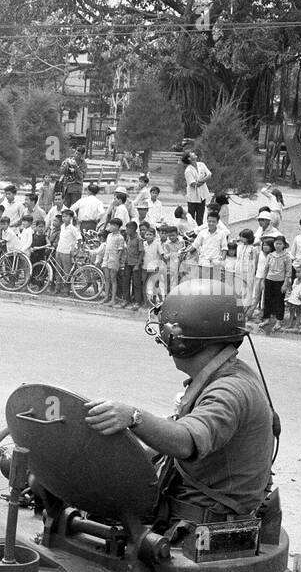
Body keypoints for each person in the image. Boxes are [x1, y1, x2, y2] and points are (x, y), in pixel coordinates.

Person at [85, 279, 275, 530]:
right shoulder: (227, 374)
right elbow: (181, 428)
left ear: (181, 341)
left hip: (201, 518)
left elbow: (187, 441)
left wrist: (133, 416)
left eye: (168, 333)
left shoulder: (229, 391)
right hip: (204, 501)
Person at [182, 151, 211, 224]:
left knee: (200, 217)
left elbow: (209, 174)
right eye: (192, 153)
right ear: (189, 158)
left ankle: (199, 233)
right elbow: (194, 184)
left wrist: (201, 180)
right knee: (191, 218)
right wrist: (204, 180)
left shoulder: (201, 164)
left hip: (202, 196)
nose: (194, 153)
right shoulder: (188, 171)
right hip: (192, 198)